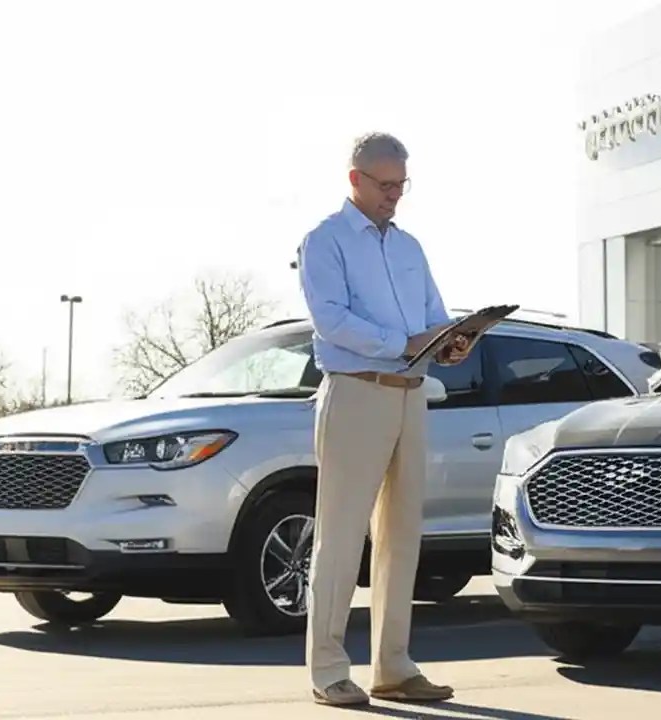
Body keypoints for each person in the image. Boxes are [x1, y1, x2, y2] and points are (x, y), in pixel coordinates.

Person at [296, 131, 469, 707]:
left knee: (401, 536)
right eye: (386, 184)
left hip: (411, 394)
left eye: (402, 185)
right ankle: (327, 670)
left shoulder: (409, 247)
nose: (396, 195)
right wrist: (405, 341)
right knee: (341, 535)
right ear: (355, 179)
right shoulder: (325, 241)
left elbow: (435, 316)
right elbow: (331, 322)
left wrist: (451, 341)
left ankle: (393, 665)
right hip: (354, 394)